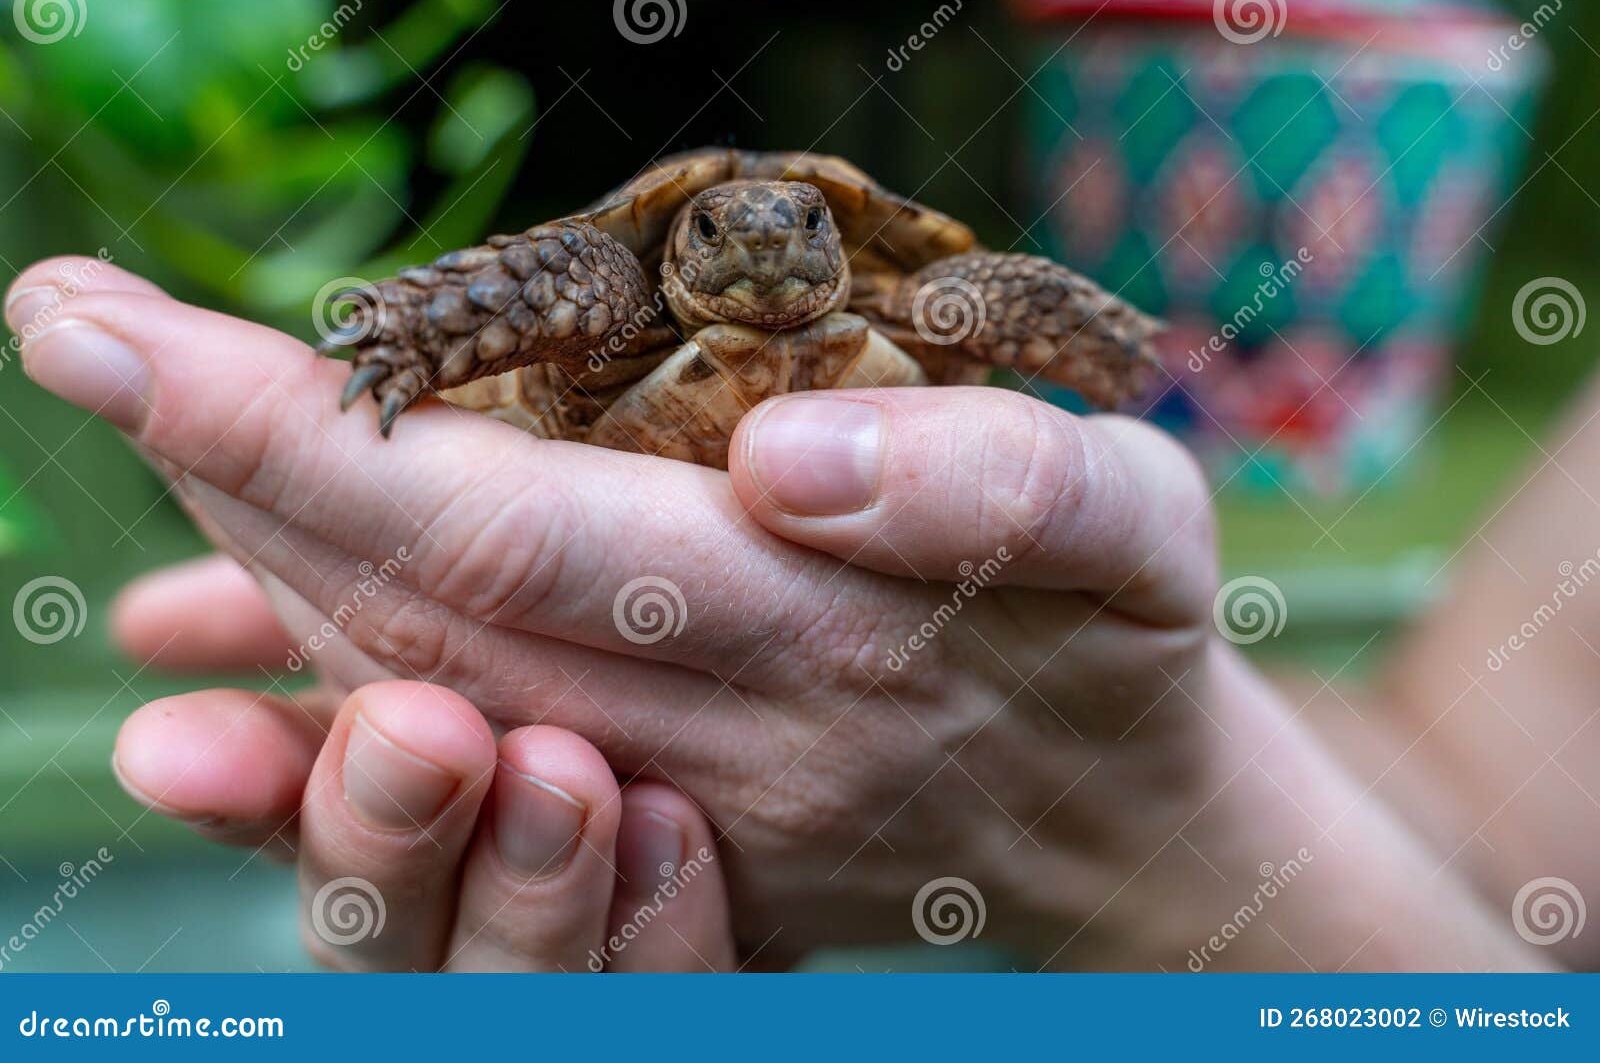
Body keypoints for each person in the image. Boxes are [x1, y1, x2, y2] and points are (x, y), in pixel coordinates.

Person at [6, 258, 1591, 971]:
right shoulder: (617, 295)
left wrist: (1168, 838)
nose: (769, 253)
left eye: (806, 239)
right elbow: (1476, 800)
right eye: (724, 236)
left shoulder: (914, 303)